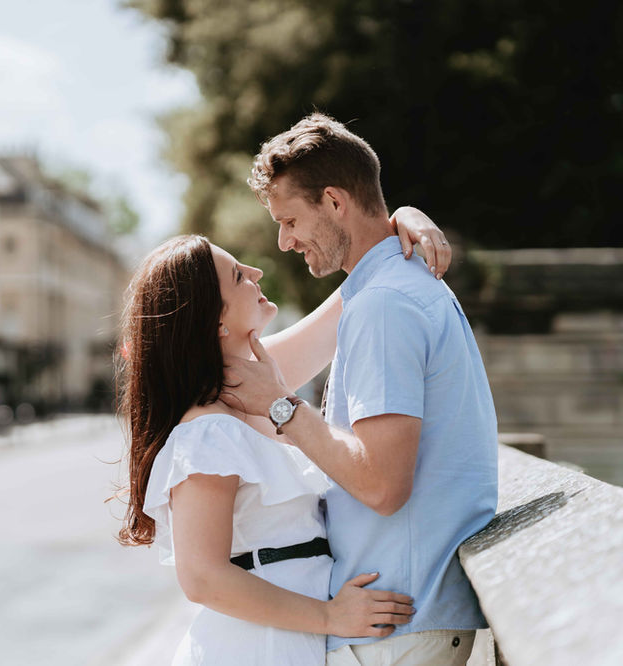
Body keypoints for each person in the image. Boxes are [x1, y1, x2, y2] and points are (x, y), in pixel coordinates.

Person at [222, 112, 499, 666]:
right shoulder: (388, 288)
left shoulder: (382, 305)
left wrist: (284, 409)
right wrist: (402, 215)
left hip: (398, 620)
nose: (284, 242)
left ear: (333, 201)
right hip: (401, 615)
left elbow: (381, 484)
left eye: (291, 220)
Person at [116, 208, 451, 665]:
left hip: (284, 641)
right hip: (258, 647)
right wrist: (331, 617)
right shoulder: (210, 429)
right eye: (237, 275)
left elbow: (350, 298)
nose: (255, 270)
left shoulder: (247, 393)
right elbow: (201, 577)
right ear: (216, 323)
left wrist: (398, 222)